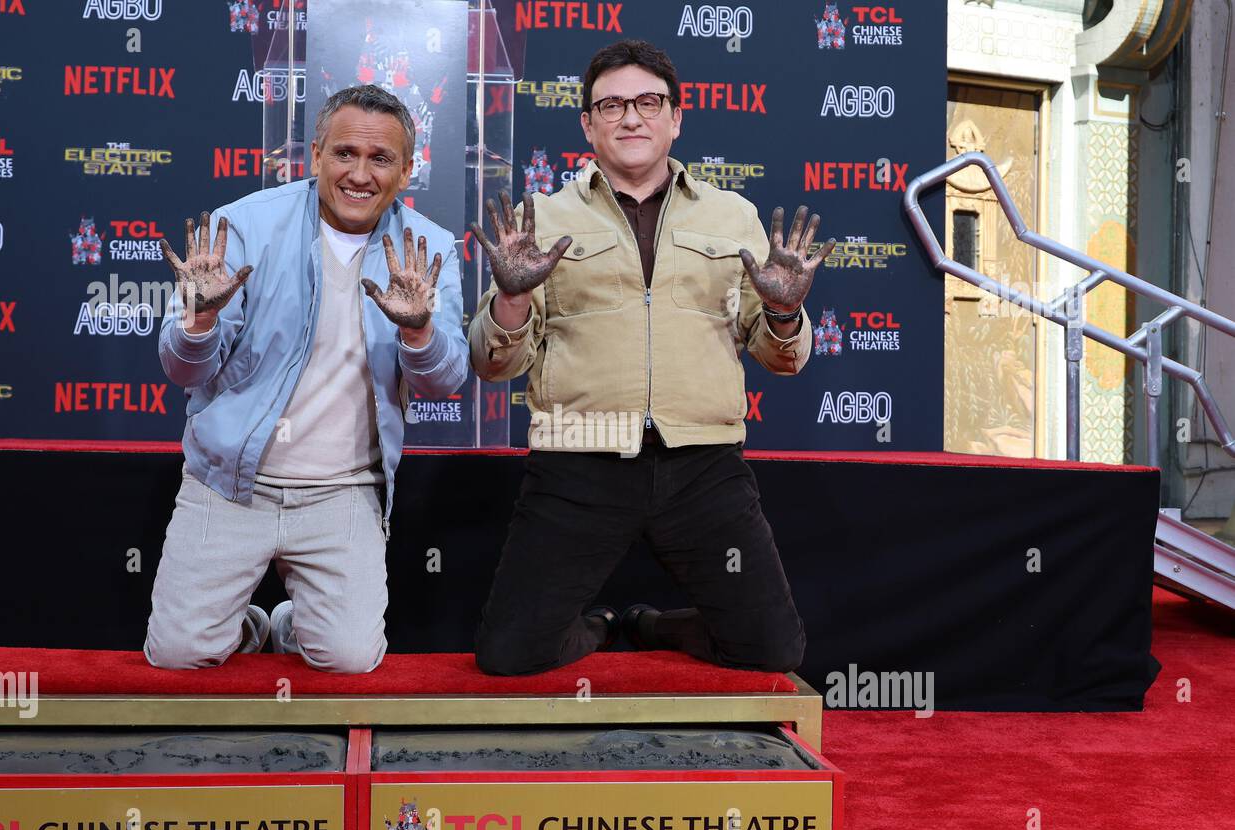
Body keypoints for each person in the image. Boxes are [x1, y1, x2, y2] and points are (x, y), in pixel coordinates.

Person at [468, 39, 835, 676]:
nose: (630, 117)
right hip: (576, 459)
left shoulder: (733, 215)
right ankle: (600, 627)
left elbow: (783, 359)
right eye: (611, 105)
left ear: (676, 117)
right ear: (586, 123)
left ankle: (652, 625)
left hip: (703, 465)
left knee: (772, 651)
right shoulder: (539, 220)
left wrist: (780, 313)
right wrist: (510, 296)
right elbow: (494, 364)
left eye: (647, 102)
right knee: (509, 657)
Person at [144, 84, 467, 673]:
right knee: (177, 655)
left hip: (344, 490)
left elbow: (445, 382)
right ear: (315, 154)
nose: (360, 174)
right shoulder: (240, 227)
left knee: (347, 660)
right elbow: (182, 369)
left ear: (406, 171)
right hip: (231, 483)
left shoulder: (430, 251)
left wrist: (419, 331)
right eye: (344, 153)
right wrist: (202, 319)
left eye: (380, 159)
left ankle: (297, 621)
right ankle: (242, 625)